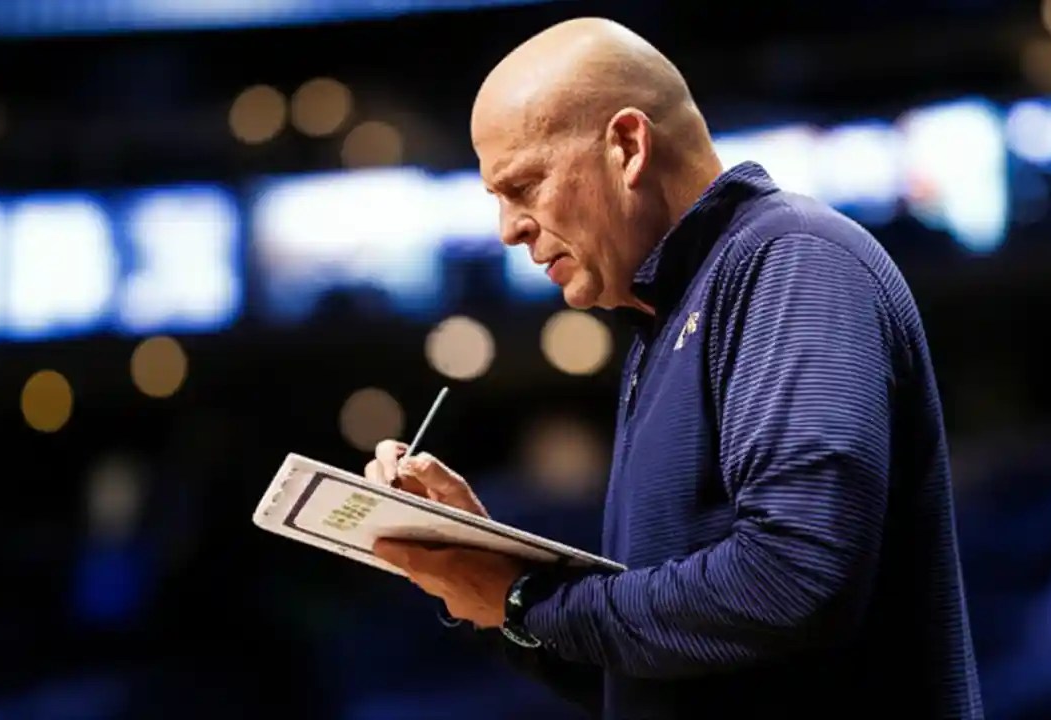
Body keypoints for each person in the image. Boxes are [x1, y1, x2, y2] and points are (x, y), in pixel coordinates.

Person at [367, 16, 984, 719]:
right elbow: (649, 672)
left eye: (524, 186)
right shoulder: (662, 326)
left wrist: (527, 599)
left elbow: (794, 578)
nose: (508, 227)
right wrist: (488, 575)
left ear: (628, 145)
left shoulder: (795, 262)